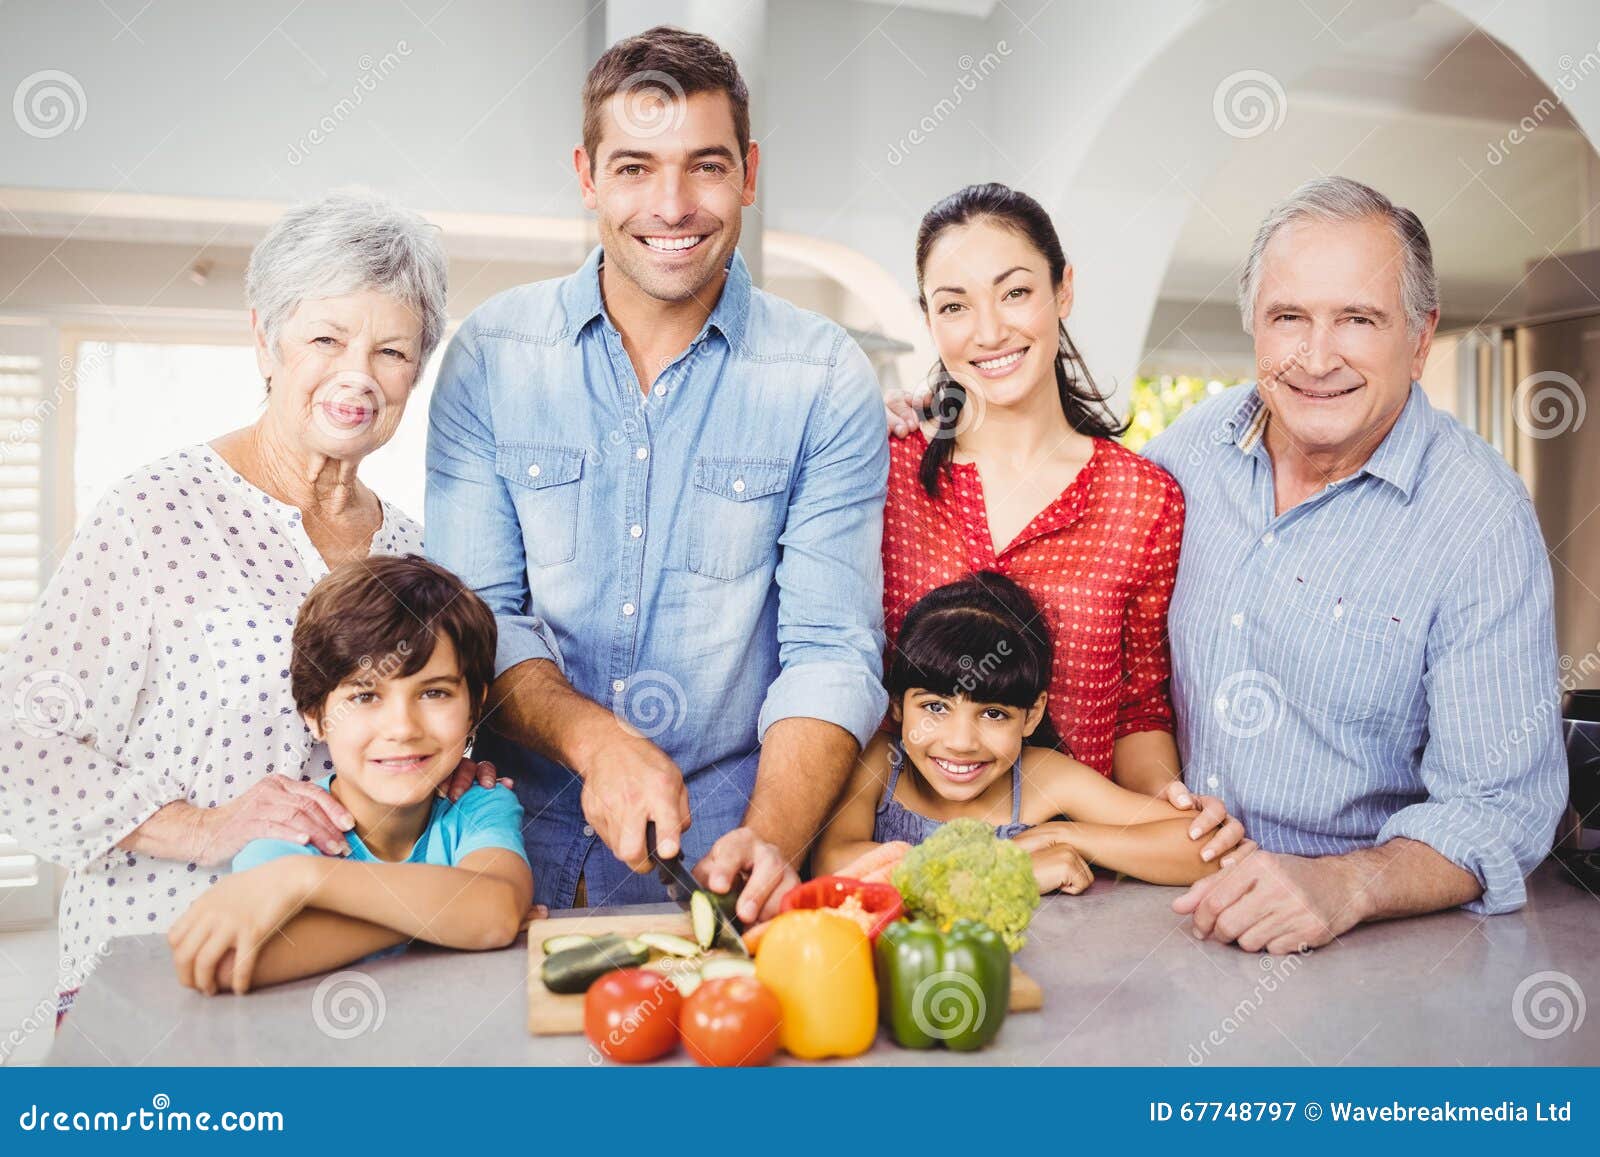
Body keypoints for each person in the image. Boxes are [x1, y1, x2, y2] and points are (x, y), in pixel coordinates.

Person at [425, 26, 887, 922]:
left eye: (705, 166)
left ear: (749, 173)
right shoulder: (490, 356)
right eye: (635, 167)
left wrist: (774, 837)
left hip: (725, 849)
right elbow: (477, 615)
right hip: (499, 852)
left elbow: (830, 649)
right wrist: (596, 742)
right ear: (588, 175)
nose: (671, 205)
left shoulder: (824, 376)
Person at [0, 190, 497, 1017]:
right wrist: (202, 825)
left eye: (391, 351)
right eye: (326, 339)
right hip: (157, 967)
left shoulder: (414, 548)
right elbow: (18, 744)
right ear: (265, 338)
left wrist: (453, 766)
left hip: (351, 972)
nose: (357, 376)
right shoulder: (155, 511)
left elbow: (403, 736)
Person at [1143, 176, 1566, 953]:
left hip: (1358, 944)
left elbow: (1498, 810)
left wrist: (1346, 883)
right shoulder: (1187, 452)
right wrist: (933, 433)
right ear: (1254, 327)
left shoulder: (1480, 520)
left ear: (1419, 334)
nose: (1315, 356)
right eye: (1289, 317)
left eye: (1358, 319)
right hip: (1159, 904)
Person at [882, 183, 1244, 862]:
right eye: (954, 305)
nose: (989, 332)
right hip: (897, 866)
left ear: (1062, 290)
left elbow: (1140, 711)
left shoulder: (1144, 500)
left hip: (1080, 877)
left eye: (1015, 292)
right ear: (928, 318)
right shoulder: (885, 476)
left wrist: (1166, 809)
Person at [168, 555, 536, 995]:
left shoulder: (478, 803)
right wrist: (444, 919)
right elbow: (231, 964)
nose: (402, 728)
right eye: (365, 697)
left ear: (475, 705)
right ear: (315, 715)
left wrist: (305, 881)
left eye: (434, 692)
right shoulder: (291, 829)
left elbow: (492, 913)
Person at [814, 573, 1221, 892]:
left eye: (992, 713)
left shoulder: (1040, 776)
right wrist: (999, 866)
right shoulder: (881, 762)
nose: (960, 742)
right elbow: (833, 863)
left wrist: (1068, 835)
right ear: (898, 706)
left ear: (1031, 715)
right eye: (935, 707)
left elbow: (1206, 849)